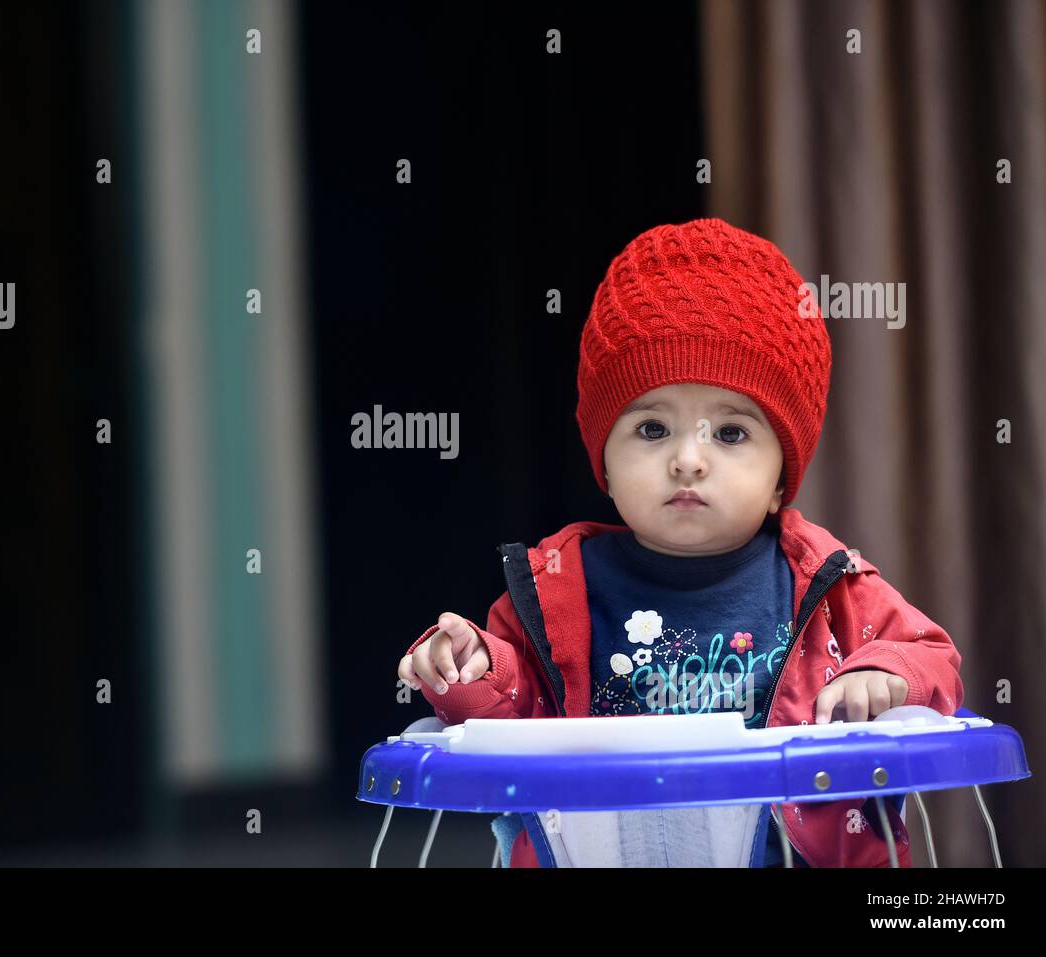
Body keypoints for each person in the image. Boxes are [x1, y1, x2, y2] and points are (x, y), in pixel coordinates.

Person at [396, 218, 964, 868]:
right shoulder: (554, 587)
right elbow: (507, 715)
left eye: (729, 433)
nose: (688, 459)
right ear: (603, 458)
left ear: (783, 476)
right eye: (651, 427)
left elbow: (932, 654)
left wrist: (883, 671)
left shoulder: (828, 584)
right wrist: (469, 668)